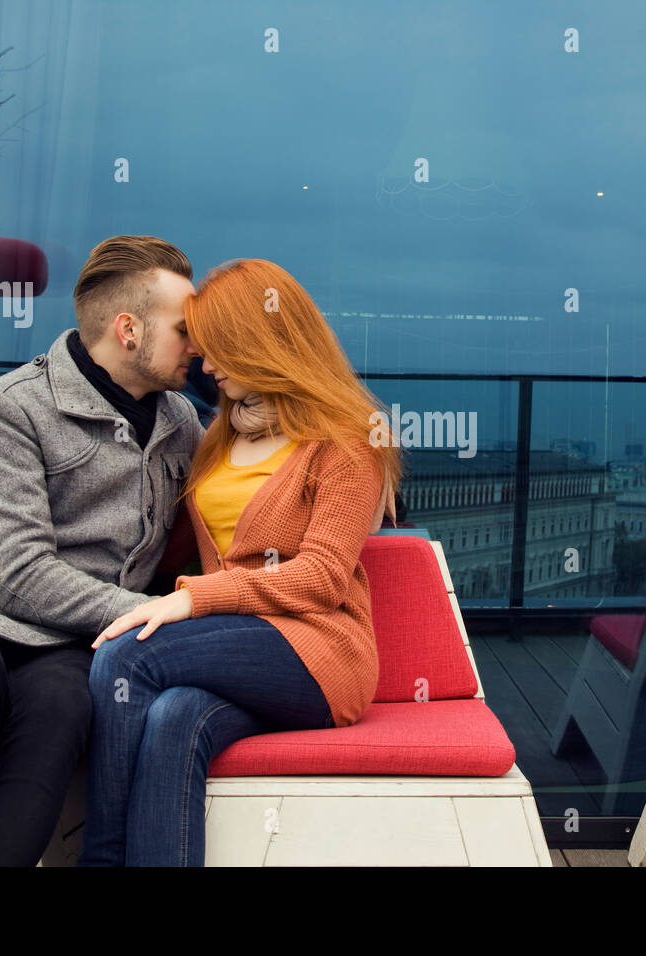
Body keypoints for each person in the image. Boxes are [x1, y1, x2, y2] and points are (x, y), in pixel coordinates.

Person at [0, 235, 206, 865]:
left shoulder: (181, 423)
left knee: (64, 707)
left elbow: (254, 479)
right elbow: (19, 574)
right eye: (184, 329)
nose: (197, 346)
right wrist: (145, 610)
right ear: (128, 329)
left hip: (65, 646)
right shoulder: (10, 406)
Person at [79, 258, 403, 867]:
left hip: (318, 650)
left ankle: (97, 860)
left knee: (131, 655)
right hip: (238, 649)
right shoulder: (217, 436)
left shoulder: (348, 441)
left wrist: (194, 598)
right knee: (174, 717)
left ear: (261, 341)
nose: (205, 365)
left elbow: (324, 578)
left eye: (218, 348)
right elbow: (170, 548)